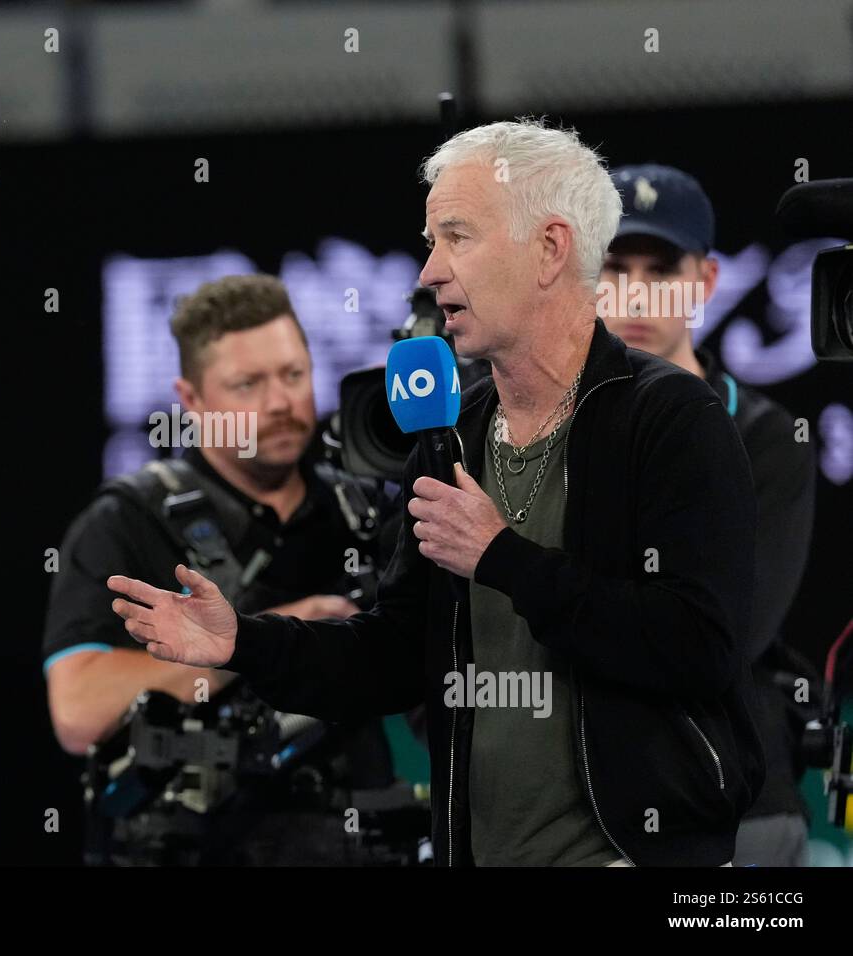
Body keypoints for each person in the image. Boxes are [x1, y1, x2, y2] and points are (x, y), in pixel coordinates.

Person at [108, 119, 765, 866]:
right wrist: (242, 643)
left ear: (551, 249)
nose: (429, 271)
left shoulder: (671, 417)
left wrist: (502, 559)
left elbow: (699, 648)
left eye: (457, 237)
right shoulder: (454, 429)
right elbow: (392, 655)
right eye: (431, 240)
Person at [45, 274, 407, 864]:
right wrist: (264, 637)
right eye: (248, 384)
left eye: (294, 374)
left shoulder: (370, 514)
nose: (280, 402)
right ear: (192, 401)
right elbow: (77, 710)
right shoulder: (127, 523)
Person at [601, 164, 816, 866]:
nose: (635, 291)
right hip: (584, 810)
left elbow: (724, 637)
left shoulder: (765, 439)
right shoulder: (538, 435)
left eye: (661, 268)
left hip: (736, 805)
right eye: (614, 266)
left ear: (707, 280)